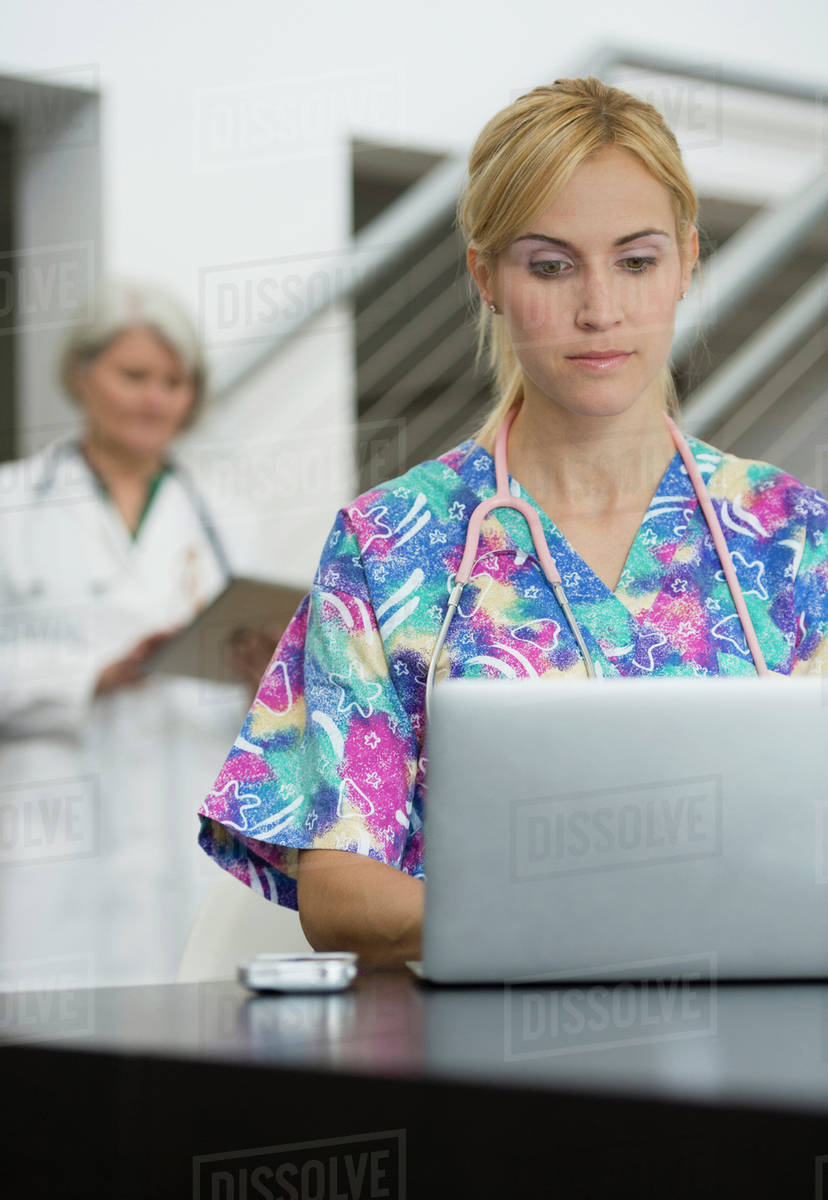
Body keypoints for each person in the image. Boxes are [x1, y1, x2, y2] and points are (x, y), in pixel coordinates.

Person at [197, 77, 828, 970]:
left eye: (637, 261)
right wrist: (599, 922)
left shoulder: (793, 538)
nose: (599, 309)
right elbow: (339, 893)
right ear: (485, 275)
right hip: (483, 1065)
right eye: (550, 265)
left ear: (689, 261)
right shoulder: (392, 545)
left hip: (762, 1053)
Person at [0, 279, 278, 990]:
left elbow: (278, 705)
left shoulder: (229, 518)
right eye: (134, 376)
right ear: (79, 374)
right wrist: (87, 675)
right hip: (50, 830)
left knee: (190, 1036)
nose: (156, 399)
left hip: (188, 820)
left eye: (175, 382)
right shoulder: (11, 505)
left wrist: (261, 670)